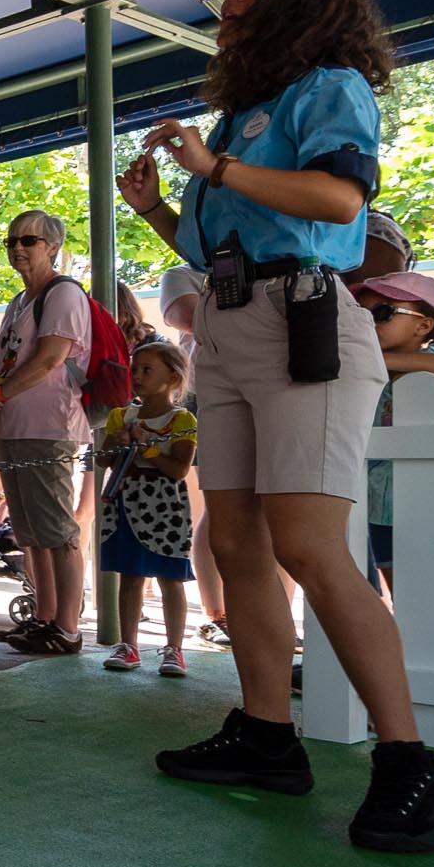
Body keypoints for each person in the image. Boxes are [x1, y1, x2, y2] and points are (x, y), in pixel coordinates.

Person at [116, 0, 434, 853]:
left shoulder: (330, 89)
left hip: (305, 321)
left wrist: (216, 169)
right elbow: (220, 248)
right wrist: (158, 207)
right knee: (234, 537)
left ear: (307, 2)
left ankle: (411, 766)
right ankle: (269, 733)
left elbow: (340, 205)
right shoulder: (247, 111)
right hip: (233, 319)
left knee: (310, 545)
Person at [353, 270, 434, 747]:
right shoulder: (367, 361)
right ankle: (402, 699)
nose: (371, 322)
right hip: (381, 502)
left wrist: (376, 356)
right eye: (365, 315)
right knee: (400, 604)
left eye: (382, 314)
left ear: (424, 325)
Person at [0, 210, 93, 656]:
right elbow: (1, 359)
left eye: (28, 240)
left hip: (48, 426)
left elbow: (48, 359)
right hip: (12, 424)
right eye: (11, 242)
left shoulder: (62, 293)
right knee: (29, 530)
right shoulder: (18, 301)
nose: (18, 248)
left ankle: (67, 627)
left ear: (52, 247)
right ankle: (44, 617)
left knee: (57, 530)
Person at [97, 341, 199, 678]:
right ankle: (128, 645)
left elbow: (179, 468)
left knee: (171, 576)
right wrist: (113, 445)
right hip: (128, 498)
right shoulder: (119, 416)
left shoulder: (182, 419)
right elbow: (105, 461)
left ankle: (174, 648)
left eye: (146, 370)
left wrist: (148, 448)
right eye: (134, 369)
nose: (137, 376)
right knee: (131, 575)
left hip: (165, 504)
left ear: (173, 378)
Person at [158, 265, 230, 647]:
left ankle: (277, 614)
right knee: (215, 505)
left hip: (263, 390)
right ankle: (217, 613)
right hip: (204, 395)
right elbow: (189, 316)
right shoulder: (182, 274)